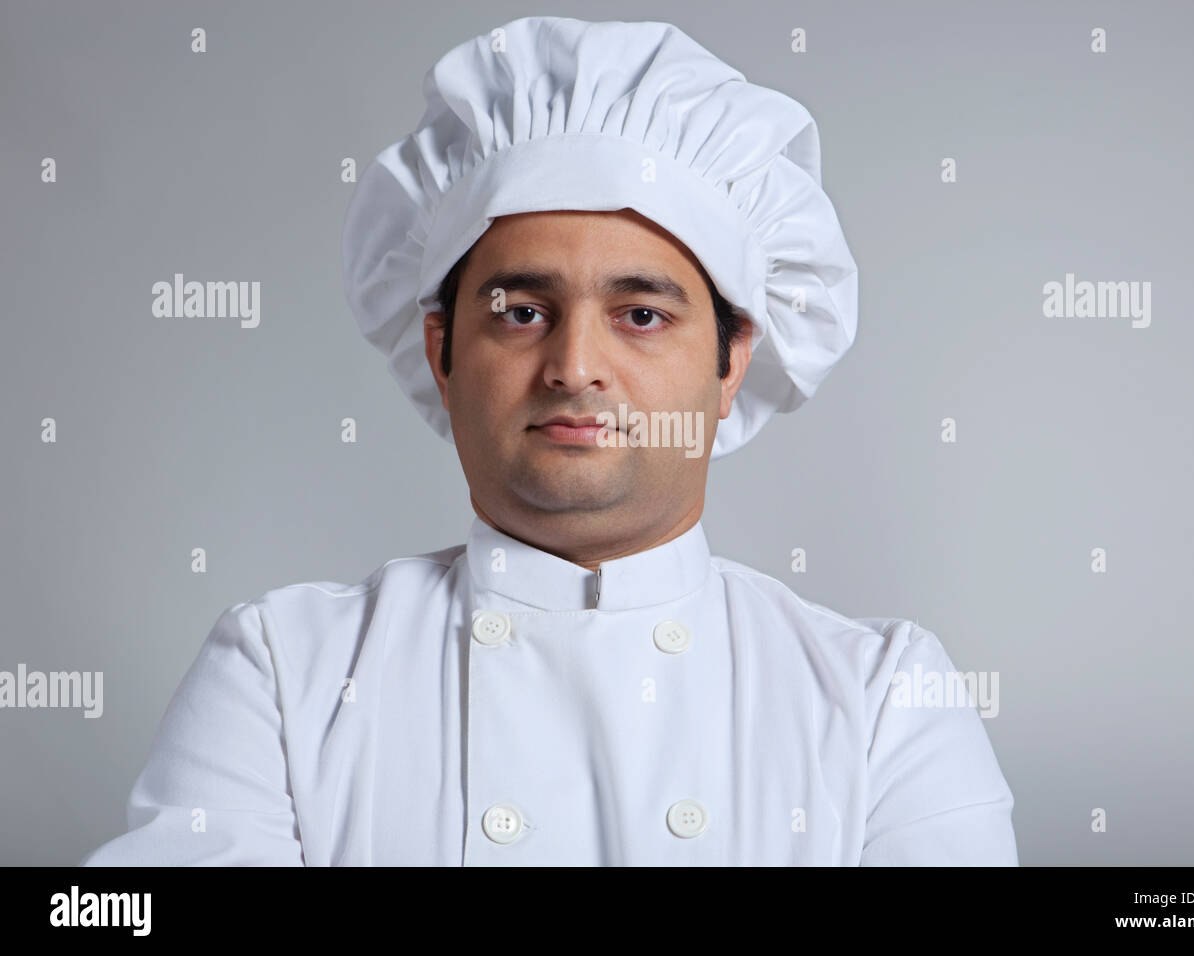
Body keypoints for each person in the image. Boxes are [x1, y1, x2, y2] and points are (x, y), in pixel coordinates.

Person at [81, 15, 1017, 866]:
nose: (574, 366)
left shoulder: (883, 699)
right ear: (442, 352)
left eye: (642, 315)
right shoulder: (283, 673)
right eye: (522, 310)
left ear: (731, 364)